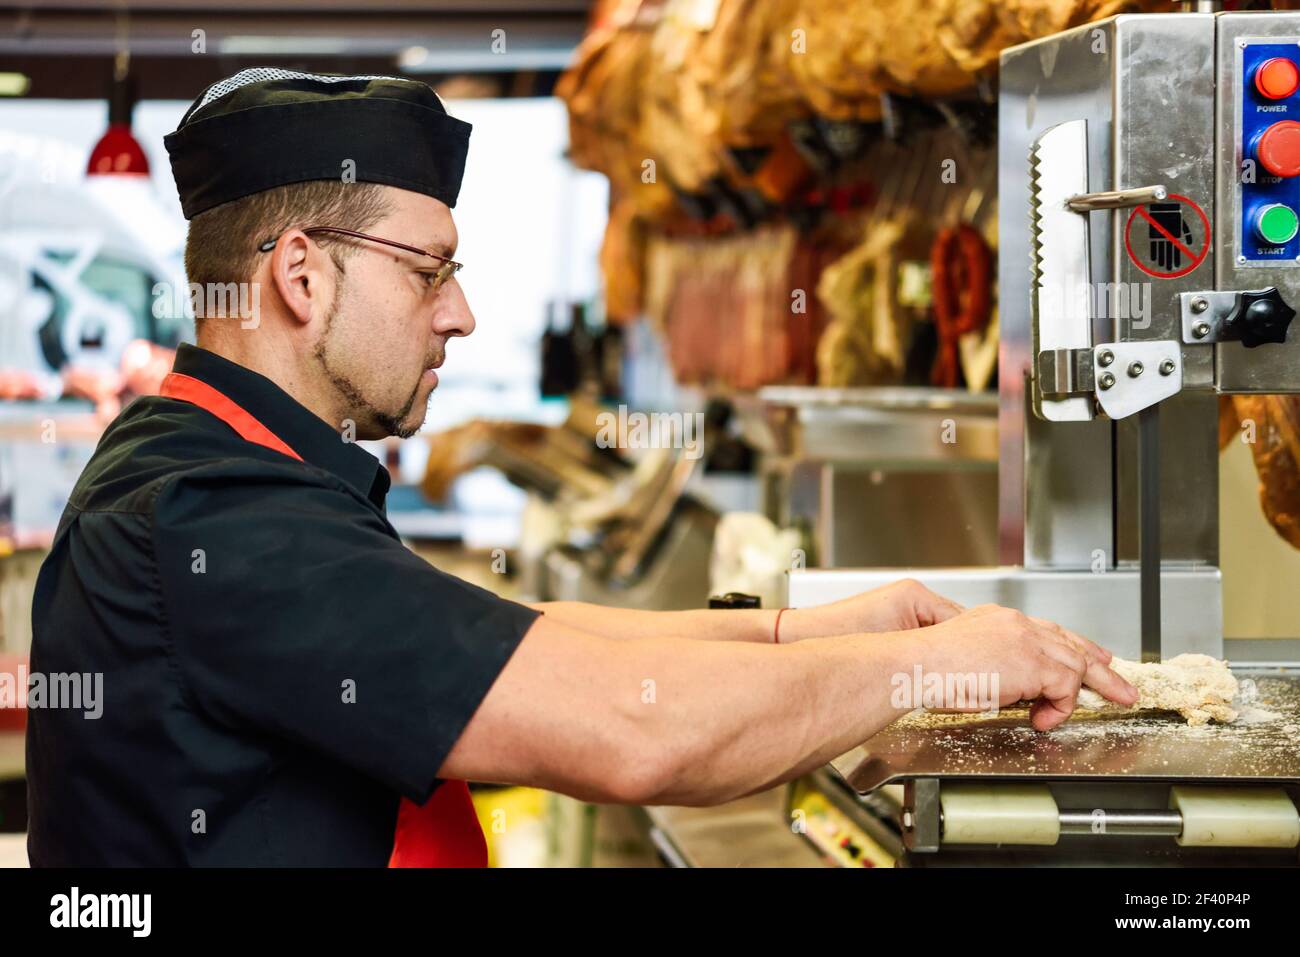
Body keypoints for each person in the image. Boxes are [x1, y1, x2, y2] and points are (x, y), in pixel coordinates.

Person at [25, 69, 1137, 867]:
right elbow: (633, 731)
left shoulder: (214, 464)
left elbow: (533, 642)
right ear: (302, 278)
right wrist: (935, 671)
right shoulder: (215, 514)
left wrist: (824, 630)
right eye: (428, 271)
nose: (460, 314)